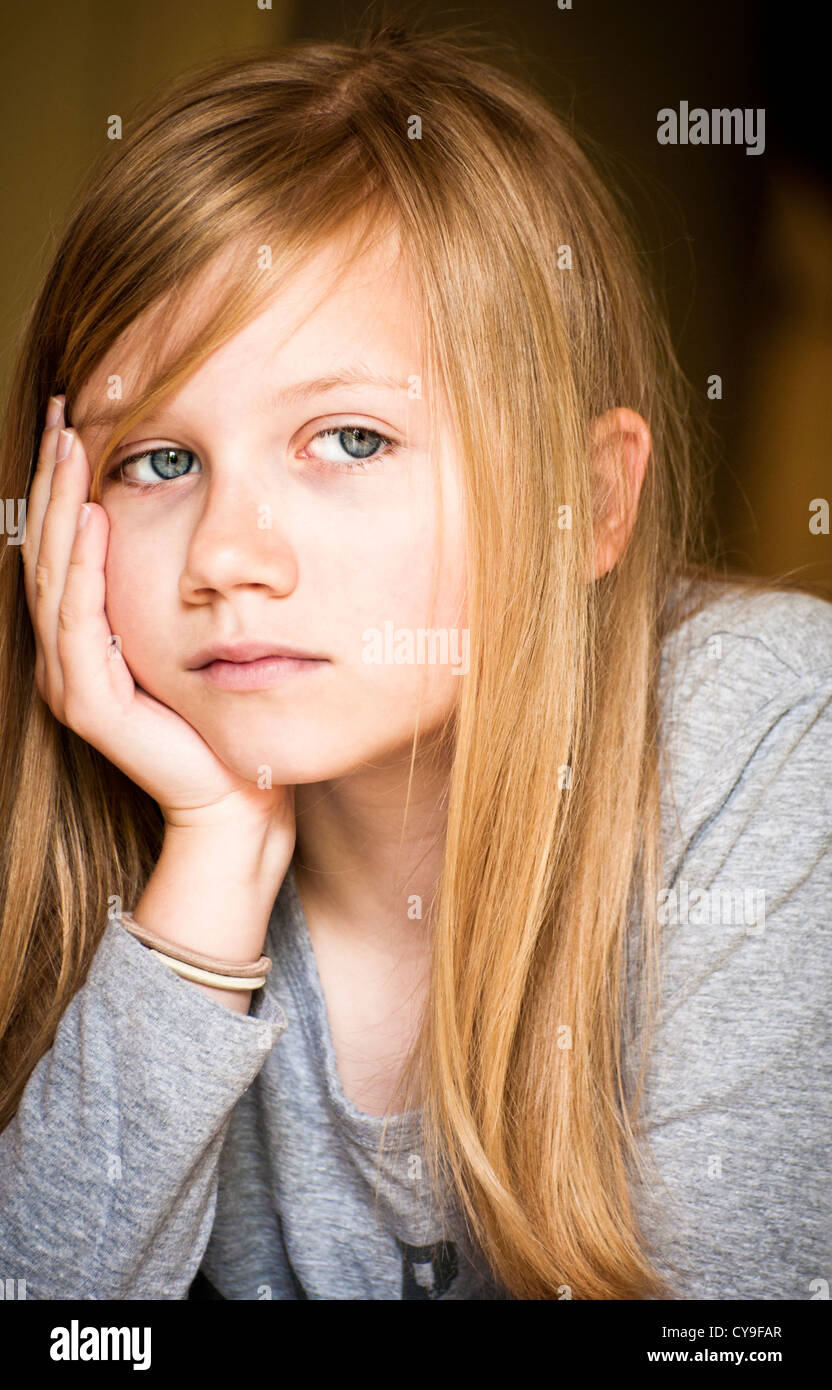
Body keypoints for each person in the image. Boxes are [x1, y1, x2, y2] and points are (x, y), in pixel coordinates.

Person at [0, 23, 829, 1301]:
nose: (227, 555)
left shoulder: (779, 734)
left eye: (348, 438)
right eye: (158, 460)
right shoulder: (121, 830)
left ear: (590, 508)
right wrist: (212, 858)